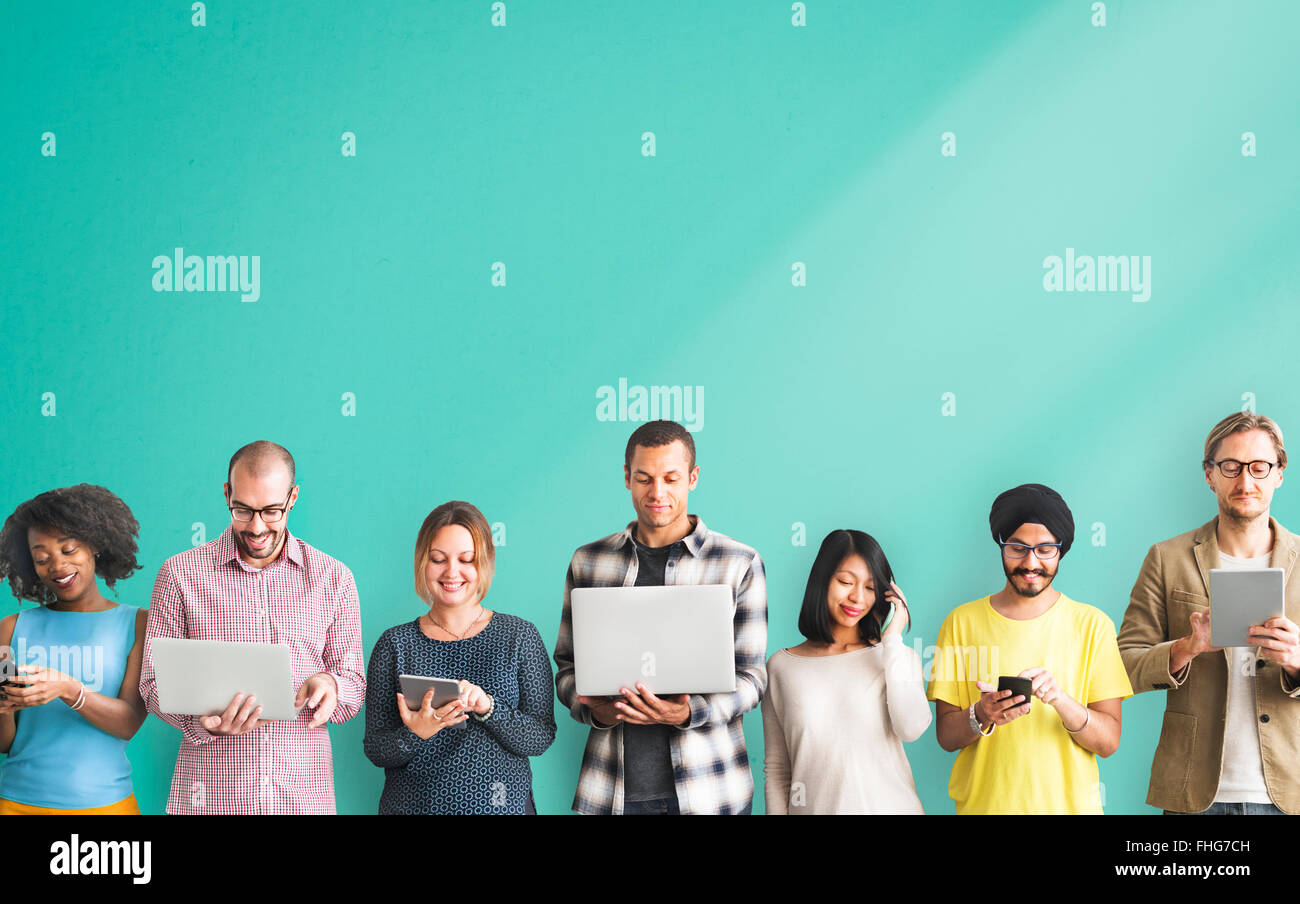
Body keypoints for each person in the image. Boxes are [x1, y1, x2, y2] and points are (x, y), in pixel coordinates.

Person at [138, 440, 365, 814]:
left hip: (302, 798)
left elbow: (354, 683)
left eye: (272, 511)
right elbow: (151, 684)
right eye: (242, 510)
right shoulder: (179, 574)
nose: (257, 527)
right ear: (227, 494)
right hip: (210, 799)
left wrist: (332, 685)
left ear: (293, 497)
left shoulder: (333, 578)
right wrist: (201, 723)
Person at [553, 419, 768, 815]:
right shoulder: (588, 561)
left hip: (711, 791)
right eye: (644, 478)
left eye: (671, 478)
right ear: (626, 478)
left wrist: (687, 712)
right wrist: (594, 711)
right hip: (611, 792)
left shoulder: (739, 563)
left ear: (693, 477)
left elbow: (752, 679)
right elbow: (567, 669)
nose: (657, 493)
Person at [1118, 412, 1300, 815]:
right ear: (1209, 474)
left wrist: (1297, 661)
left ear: (1279, 473)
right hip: (1194, 793)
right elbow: (1124, 664)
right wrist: (1186, 648)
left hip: (1290, 791)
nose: (1245, 482)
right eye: (1231, 467)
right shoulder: (1167, 558)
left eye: (1259, 467)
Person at [928, 483, 1132, 814]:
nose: (1030, 562)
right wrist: (982, 714)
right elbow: (946, 738)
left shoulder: (1094, 626)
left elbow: (1108, 742)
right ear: (1001, 545)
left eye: (1045, 549)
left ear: (1061, 550)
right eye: (1017, 548)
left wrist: (1061, 701)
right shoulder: (960, 622)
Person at [364, 501, 555, 814]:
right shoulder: (395, 644)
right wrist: (415, 733)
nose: (452, 572)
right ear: (422, 563)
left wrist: (488, 708)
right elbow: (376, 749)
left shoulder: (519, 636)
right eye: (438, 559)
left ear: (485, 564)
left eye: (466, 559)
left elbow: (540, 737)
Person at [0, 484, 149, 815]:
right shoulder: (11, 628)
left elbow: (128, 722)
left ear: (94, 545)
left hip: (105, 806)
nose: (57, 566)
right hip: (15, 804)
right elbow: (5, 743)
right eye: (42, 558)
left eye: (69, 550)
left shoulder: (137, 623)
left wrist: (67, 688)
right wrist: (4, 705)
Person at [762, 529, 930, 814]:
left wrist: (892, 639)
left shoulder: (896, 657)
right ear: (821, 580)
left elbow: (911, 728)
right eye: (845, 581)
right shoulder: (782, 667)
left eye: (870, 587)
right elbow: (778, 771)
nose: (857, 597)